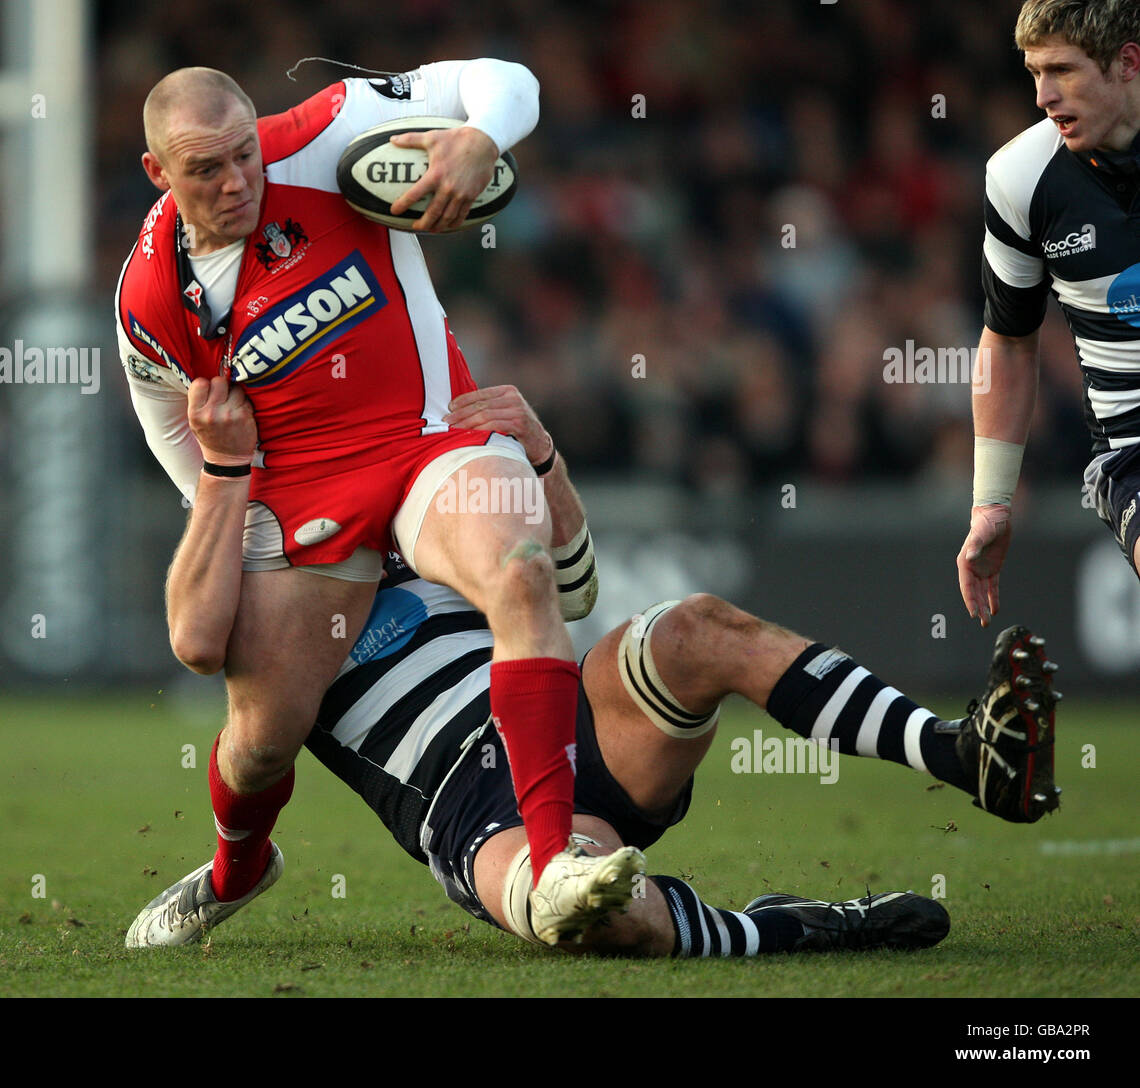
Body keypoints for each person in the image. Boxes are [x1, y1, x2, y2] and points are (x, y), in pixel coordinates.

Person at [126, 385, 1061, 956]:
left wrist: (541, 452)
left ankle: (962, 752)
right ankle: (790, 927)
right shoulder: (258, 567)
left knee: (697, 628)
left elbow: (572, 591)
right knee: (585, 923)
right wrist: (220, 471)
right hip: (467, 808)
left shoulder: (424, 483)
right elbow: (199, 640)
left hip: (572, 722)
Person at [114, 61, 606, 942]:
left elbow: (509, 77)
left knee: (523, 574)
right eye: (205, 171)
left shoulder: (325, 135)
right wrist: (231, 511)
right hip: (299, 493)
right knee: (262, 741)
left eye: (243, 154)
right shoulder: (151, 292)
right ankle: (237, 870)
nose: (236, 182)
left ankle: (556, 857)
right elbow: (165, 420)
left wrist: (480, 137)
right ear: (158, 174)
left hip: (431, 435)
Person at [959, 0, 1140, 625]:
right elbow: (1008, 341)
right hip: (1133, 448)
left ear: (1126, 63)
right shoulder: (1019, 179)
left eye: (1061, 70)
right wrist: (991, 502)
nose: (1043, 95)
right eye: (1034, 72)